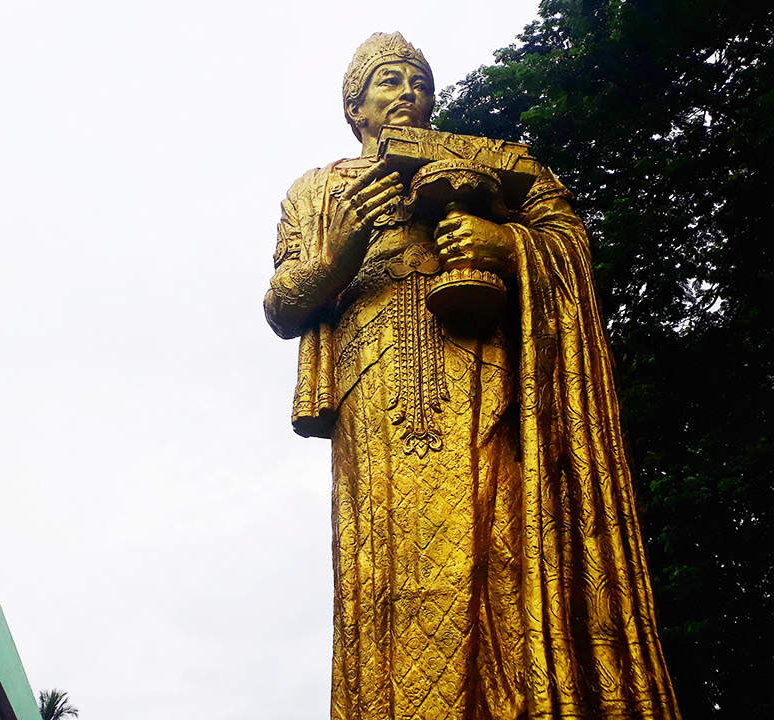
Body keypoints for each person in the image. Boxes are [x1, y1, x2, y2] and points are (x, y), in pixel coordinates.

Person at [264, 32, 681, 720]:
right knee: (385, 568)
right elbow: (282, 305)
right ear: (353, 107)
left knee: (504, 542)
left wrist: (506, 245)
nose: (407, 94)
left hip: (485, 371)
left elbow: (567, 239)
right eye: (388, 82)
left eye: (418, 83)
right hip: (374, 389)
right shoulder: (316, 190)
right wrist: (340, 252)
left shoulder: (489, 165)